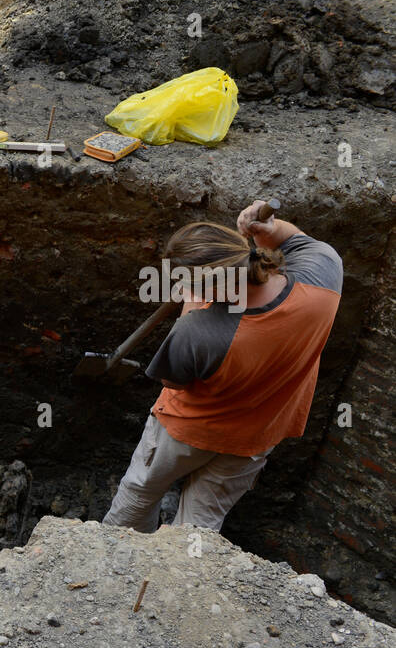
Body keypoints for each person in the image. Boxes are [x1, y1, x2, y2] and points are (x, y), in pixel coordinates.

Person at [102, 200, 343, 532]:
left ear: (210, 288)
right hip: (255, 439)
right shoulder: (324, 275)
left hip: (187, 432)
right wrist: (271, 230)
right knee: (199, 525)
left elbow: (175, 383)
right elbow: (295, 240)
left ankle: (115, 560)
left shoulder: (197, 330)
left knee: (139, 494)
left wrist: (192, 302)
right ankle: (181, 580)